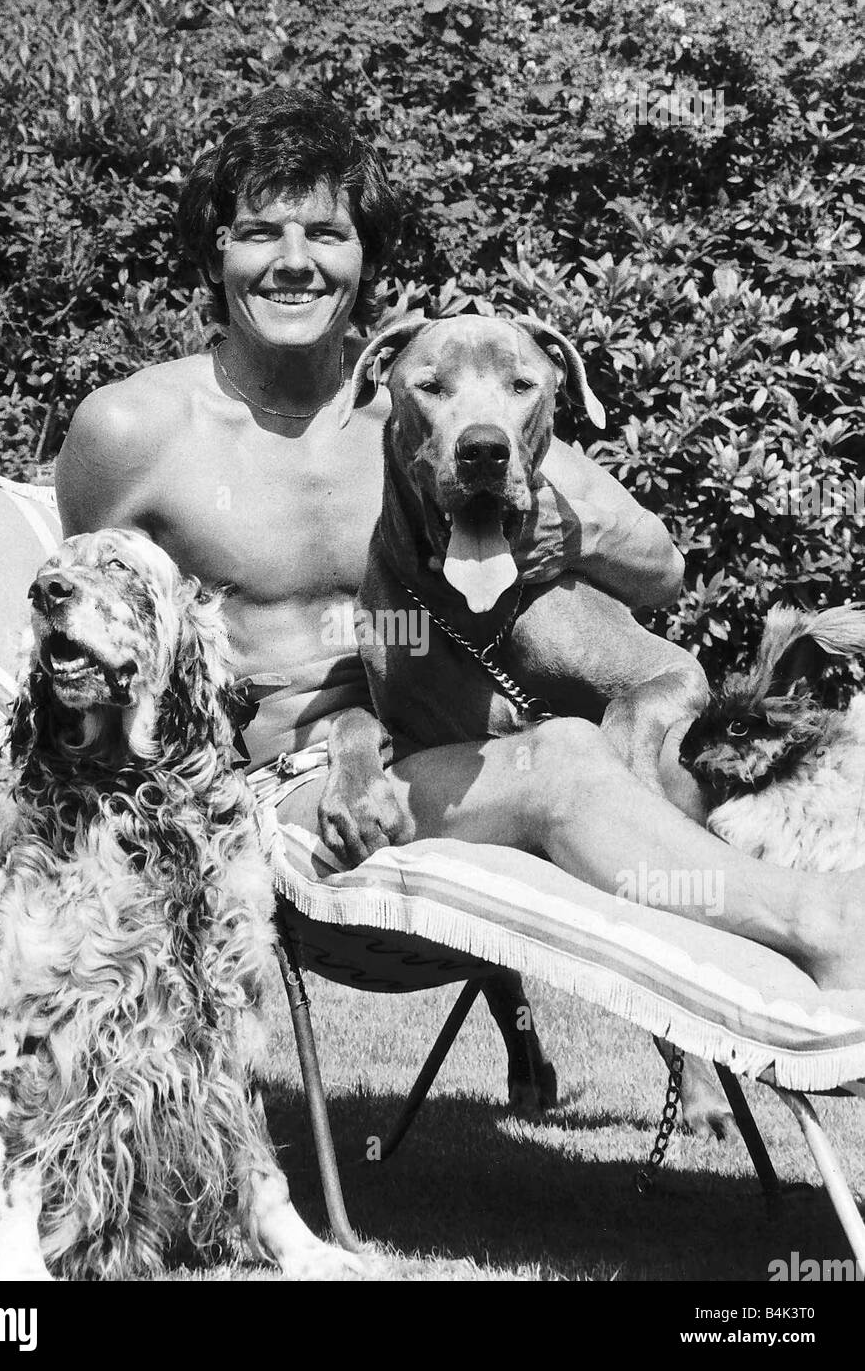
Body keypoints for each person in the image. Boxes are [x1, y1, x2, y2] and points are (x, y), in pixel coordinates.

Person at [55, 89, 864, 996]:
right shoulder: (132, 431)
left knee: (640, 760)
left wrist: (573, 532)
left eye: (325, 233)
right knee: (561, 761)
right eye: (259, 233)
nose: (293, 263)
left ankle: (764, 1004)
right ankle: (828, 926)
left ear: (363, 257)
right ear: (215, 248)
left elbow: (661, 571)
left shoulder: (428, 403)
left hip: (428, 762)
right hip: (272, 794)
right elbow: (82, 659)